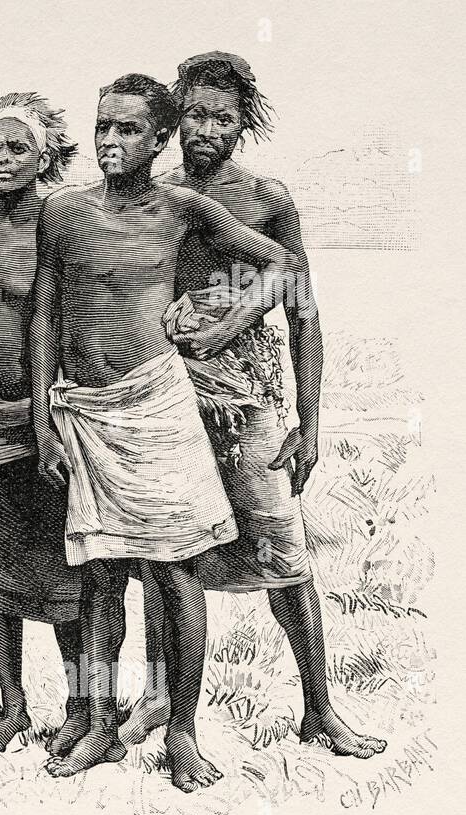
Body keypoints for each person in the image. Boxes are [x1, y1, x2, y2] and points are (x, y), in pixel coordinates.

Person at [116, 51, 386, 760]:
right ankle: (159, 696)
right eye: (196, 114)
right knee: (166, 550)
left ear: (244, 124)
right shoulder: (159, 194)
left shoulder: (268, 198)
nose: (207, 128)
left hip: (251, 396)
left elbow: (303, 312)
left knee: (283, 551)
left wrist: (312, 422)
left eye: (223, 117)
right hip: (169, 390)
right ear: (176, 117)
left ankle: (320, 708)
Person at [30, 74, 295, 791]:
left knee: (176, 576)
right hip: (85, 411)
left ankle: (181, 732)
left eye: (127, 131)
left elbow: (279, 265)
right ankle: (96, 724)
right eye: (101, 127)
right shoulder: (62, 211)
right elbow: (45, 315)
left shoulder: (182, 206)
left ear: (159, 139)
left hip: (158, 407)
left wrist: (230, 322)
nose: (110, 142)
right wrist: (43, 418)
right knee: (98, 580)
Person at [0, 92, 85, 755]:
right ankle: (12, 706)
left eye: (16, 148)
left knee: (64, 571)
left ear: (46, 157)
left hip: (49, 423)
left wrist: (40, 410)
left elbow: (73, 333)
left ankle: (83, 707)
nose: (0, 160)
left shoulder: (61, 232)